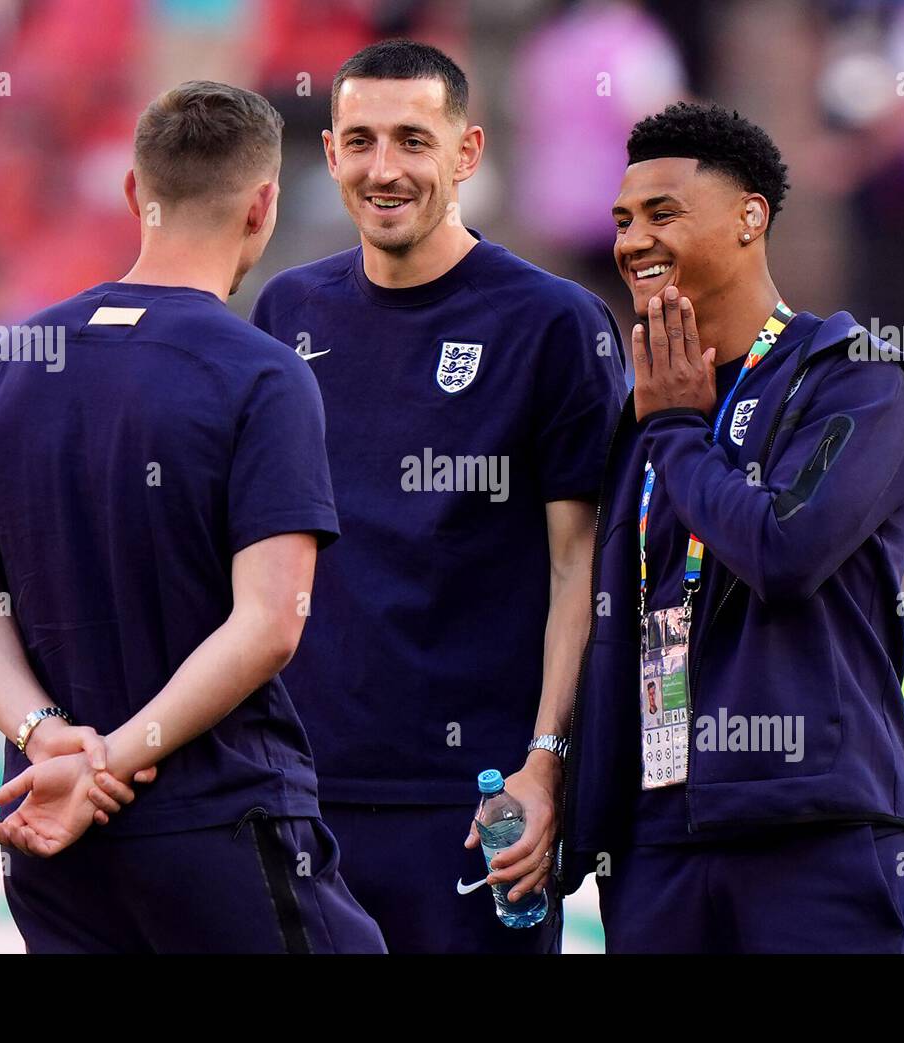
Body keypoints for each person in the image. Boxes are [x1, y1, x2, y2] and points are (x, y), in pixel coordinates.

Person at [0, 81, 384, 954]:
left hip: (51, 823)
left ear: (136, 194)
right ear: (263, 206)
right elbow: (269, 625)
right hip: (218, 818)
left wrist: (48, 740)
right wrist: (117, 756)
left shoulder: (2, 364)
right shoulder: (264, 375)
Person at [251, 40, 626, 954]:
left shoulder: (555, 324)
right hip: (303, 796)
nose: (386, 170)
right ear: (330, 155)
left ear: (467, 152)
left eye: (414, 141)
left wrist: (549, 764)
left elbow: (584, 565)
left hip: (475, 804)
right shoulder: (286, 312)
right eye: (363, 141)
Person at [561, 102, 904, 953]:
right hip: (656, 836)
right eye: (621, 220)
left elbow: (785, 551)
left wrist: (681, 433)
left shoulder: (855, 377)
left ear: (749, 217)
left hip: (812, 824)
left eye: (662, 214)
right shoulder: (643, 412)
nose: (632, 241)